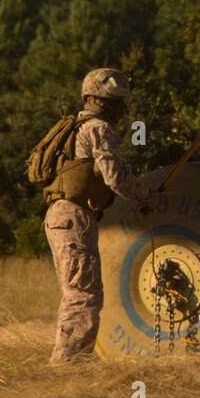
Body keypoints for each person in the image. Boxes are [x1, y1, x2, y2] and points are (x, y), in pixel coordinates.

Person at [43, 67, 159, 363]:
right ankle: (67, 371)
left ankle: (68, 363)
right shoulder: (99, 128)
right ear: (106, 102)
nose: (124, 109)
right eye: (122, 103)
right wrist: (147, 196)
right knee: (83, 297)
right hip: (75, 216)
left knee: (77, 294)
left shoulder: (75, 124)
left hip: (62, 215)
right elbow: (115, 178)